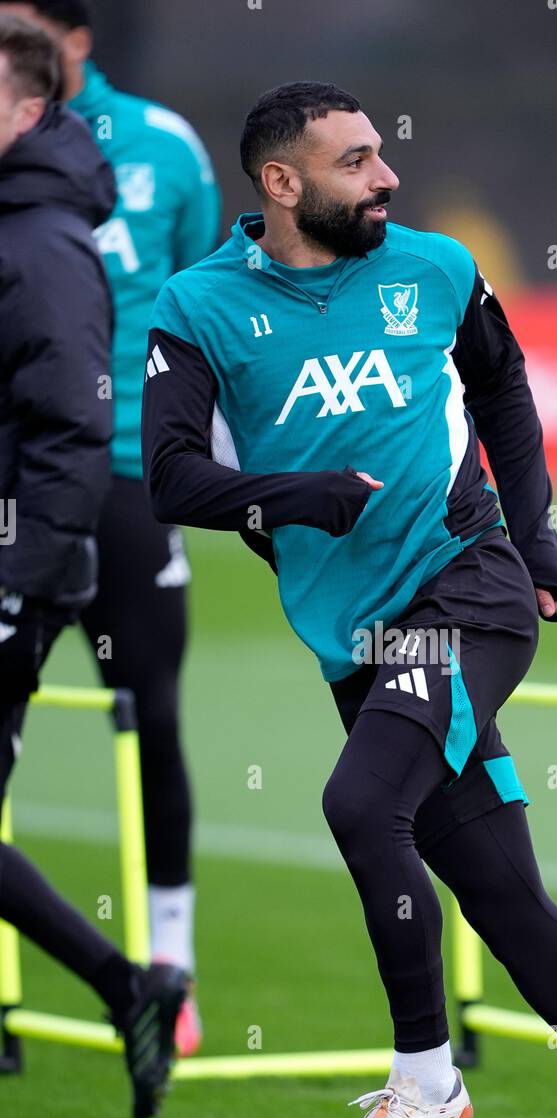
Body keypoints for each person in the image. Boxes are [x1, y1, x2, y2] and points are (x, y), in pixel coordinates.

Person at [141, 81, 557, 1118]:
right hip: (353, 636)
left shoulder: (432, 268)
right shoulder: (199, 305)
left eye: (381, 156)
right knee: (504, 900)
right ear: (280, 184)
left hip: (466, 585)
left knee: (358, 801)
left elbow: (504, 389)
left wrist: (540, 540)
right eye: (355, 161)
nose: (385, 177)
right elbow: (171, 476)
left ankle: (423, 1080)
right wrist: (299, 495)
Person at [0, 0, 223, 1056]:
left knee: (152, 711)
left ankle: (168, 972)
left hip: (129, 472)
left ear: (70, 40)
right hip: (29, 476)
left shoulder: (163, 146)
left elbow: (205, 292)